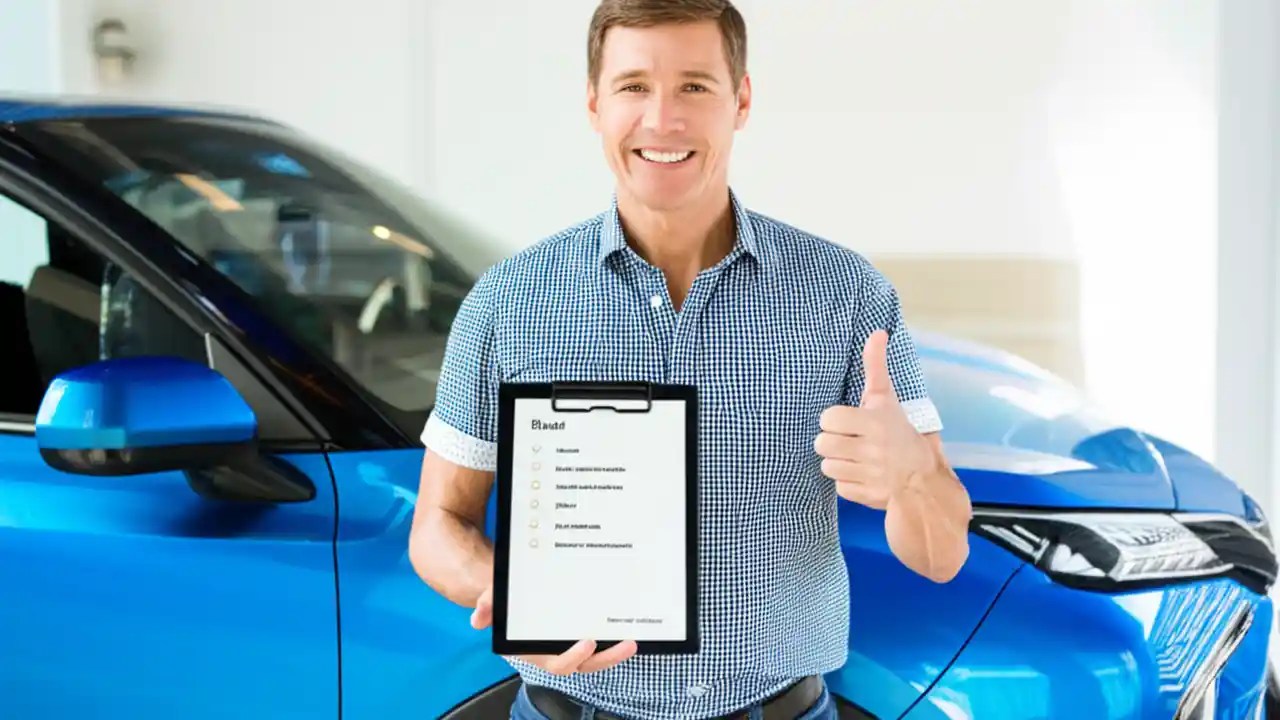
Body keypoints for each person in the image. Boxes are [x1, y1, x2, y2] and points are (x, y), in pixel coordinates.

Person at [408, 0, 974, 717]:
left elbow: (942, 554)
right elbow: (438, 526)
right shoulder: (507, 302)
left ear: (740, 100)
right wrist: (515, 593)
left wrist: (912, 475)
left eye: (695, 87)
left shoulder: (848, 295)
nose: (662, 119)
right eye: (634, 86)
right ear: (593, 103)